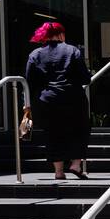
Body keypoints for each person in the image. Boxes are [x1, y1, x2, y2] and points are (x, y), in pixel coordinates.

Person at [24, 21, 91, 181]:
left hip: (47, 100)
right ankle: (75, 164)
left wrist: (27, 103)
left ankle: (59, 172)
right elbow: (85, 78)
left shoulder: (35, 54)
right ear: (61, 34)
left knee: (53, 133)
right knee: (80, 129)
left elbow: (29, 82)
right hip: (72, 97)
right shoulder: (72, 50)